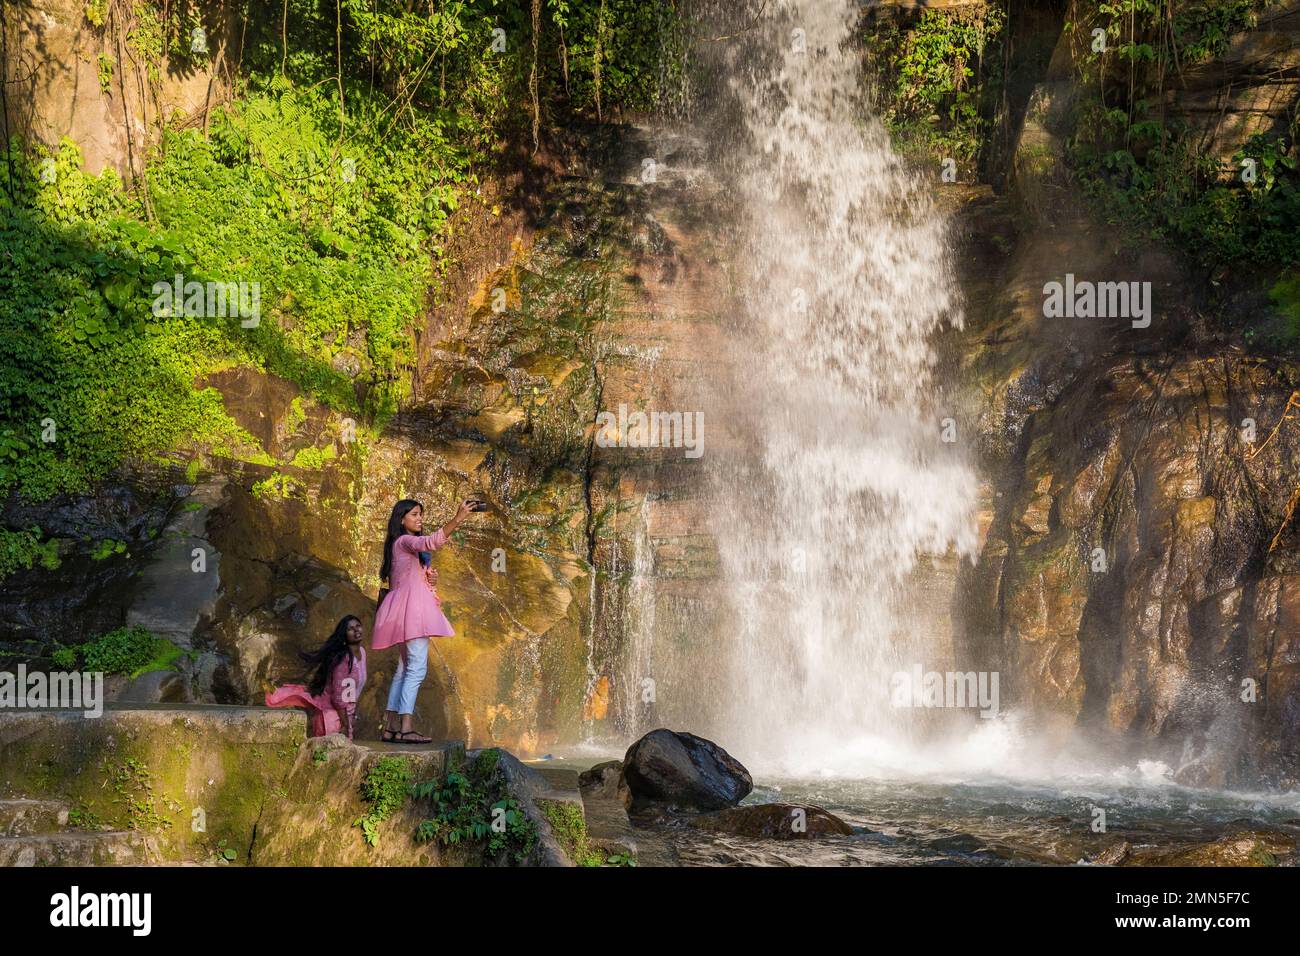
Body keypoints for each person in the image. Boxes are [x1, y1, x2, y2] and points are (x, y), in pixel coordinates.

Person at [373, 497, 476, 744]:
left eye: (421, 514)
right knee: (417, 669)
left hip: (402, 611)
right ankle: (406, 727)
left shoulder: (397, 546)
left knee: (403, 670)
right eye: (415, 514)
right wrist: (458, 518)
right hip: (413, 612)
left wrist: (429, 581)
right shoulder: (406, 540)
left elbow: (409, 578)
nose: (420, 518)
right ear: (401, 519)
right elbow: (431, 542)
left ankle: (391, 726)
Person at [266, 615, 367, 739]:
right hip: (331, 718)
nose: (356, 630)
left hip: (345, 716)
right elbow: (338, 698)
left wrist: (351, 717)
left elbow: (352, 692)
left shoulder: (362, 652)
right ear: (344, 635)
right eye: (350, 628)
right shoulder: (343, 660)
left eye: (358, 626)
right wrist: (346, 724)